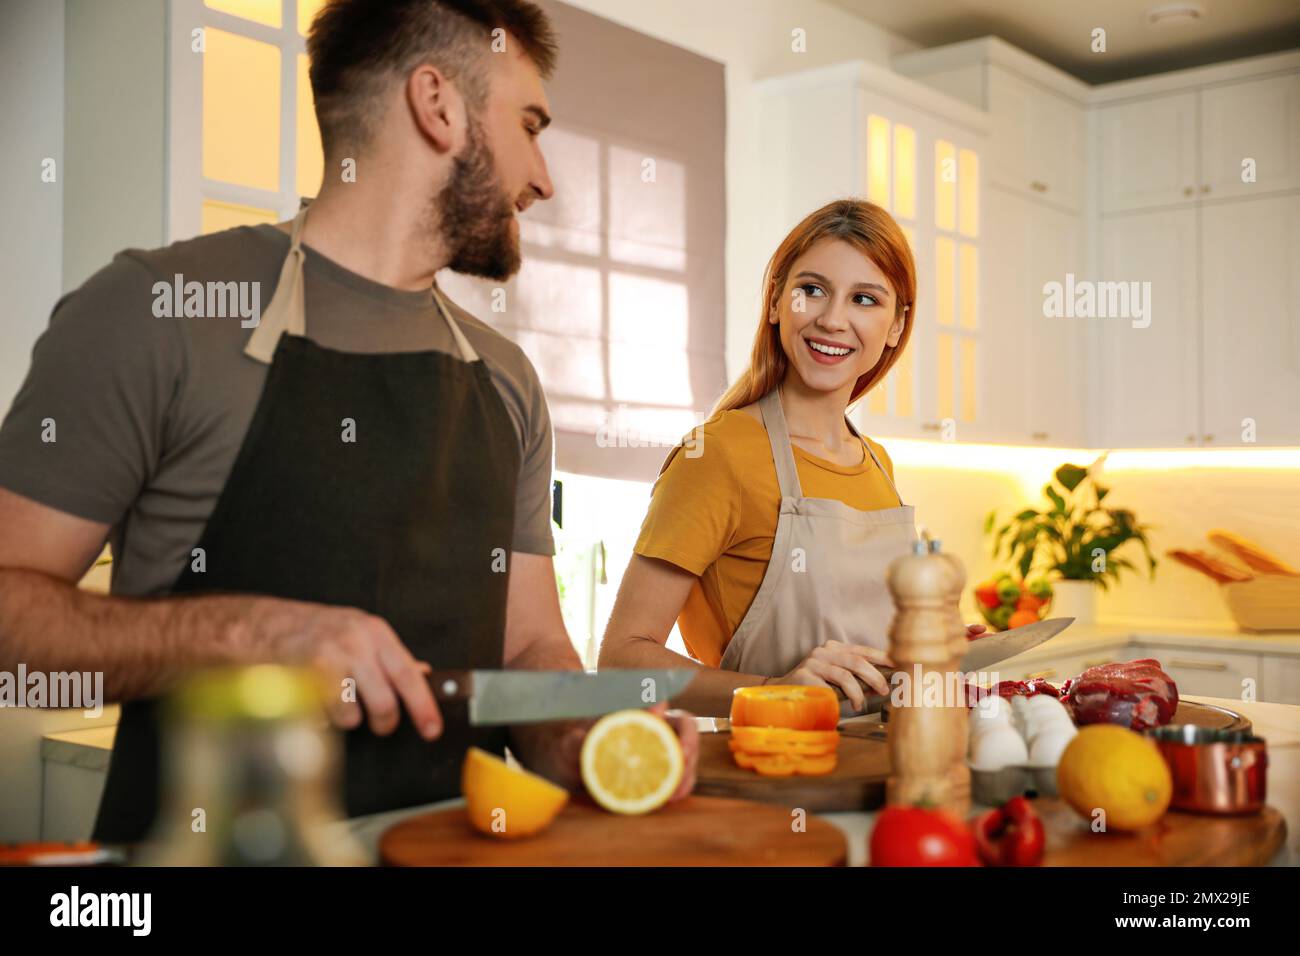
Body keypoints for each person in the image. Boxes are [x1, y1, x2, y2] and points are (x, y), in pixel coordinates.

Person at [0, 0, 695, 845]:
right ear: (438, 106)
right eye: (530, 124)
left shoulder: (506, 379)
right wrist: (244, 634)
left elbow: (526, 649)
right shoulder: (158, 313)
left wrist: (581, 729)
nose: (545, 177)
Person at [599, 199, 984, 716]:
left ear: (895, 326)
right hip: (773, 772)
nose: (832, 319)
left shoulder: (877, 464)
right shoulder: (718, 455)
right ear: (778, 301)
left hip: (884, 767)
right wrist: (774, 691)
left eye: (865, 299)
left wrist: (934, 642)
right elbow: (622, 661)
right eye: (812, 290)